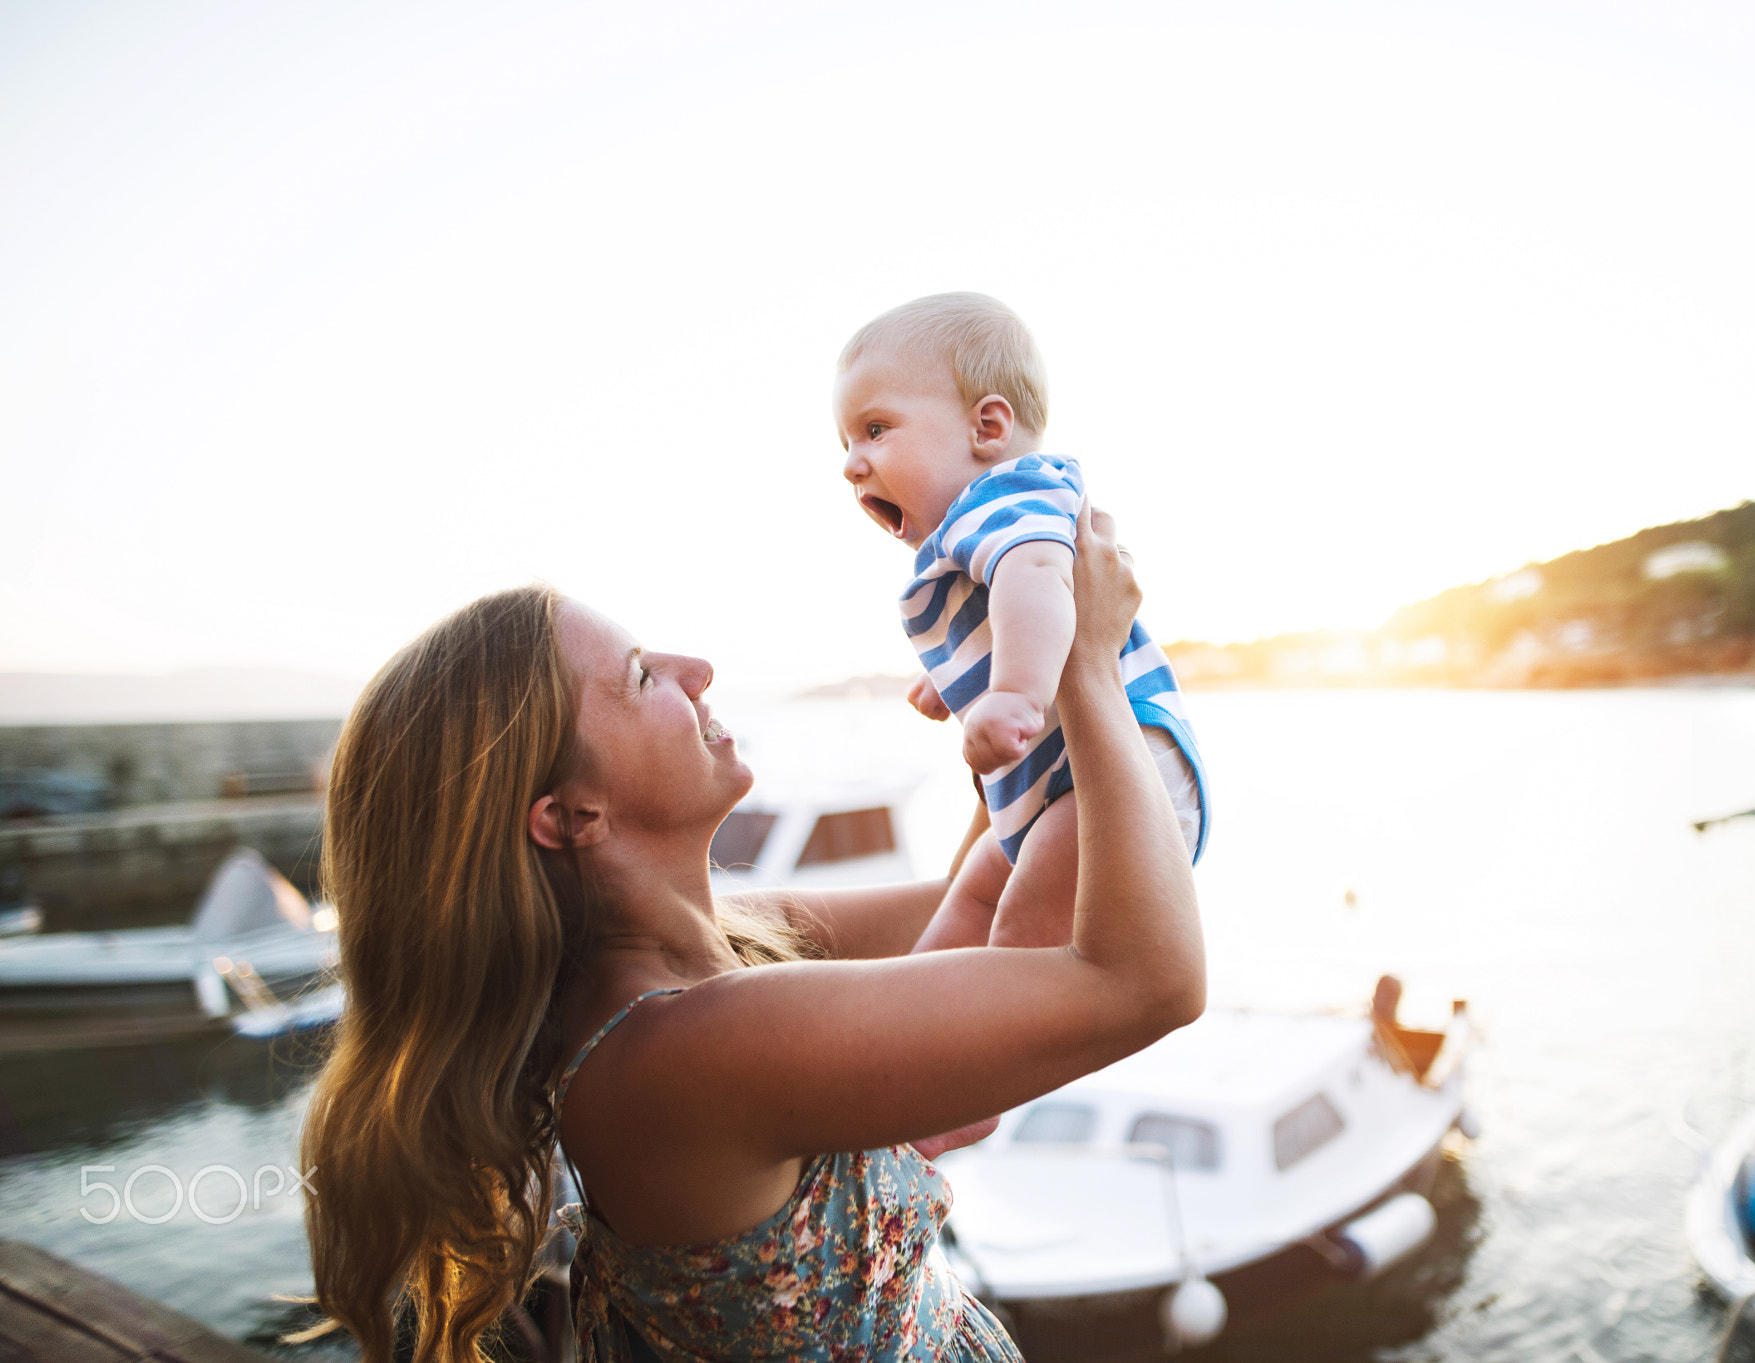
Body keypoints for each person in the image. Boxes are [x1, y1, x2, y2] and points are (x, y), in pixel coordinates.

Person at [296, 505, 1204, 1362]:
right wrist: (1087, 668)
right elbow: (1144, 981)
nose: (697, 669)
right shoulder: (683, 1051)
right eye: (643, 675)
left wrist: (1010, 680)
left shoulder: (722, 952)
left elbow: (982, 893)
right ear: (572, 815)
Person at [835, 292, 1209, 961]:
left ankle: (948, 1024)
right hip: (1062, 781)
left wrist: (1013, 693)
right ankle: (917, 1000)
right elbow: (1003, 610)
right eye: (847, 442)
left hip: (1112, 774)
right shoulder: (982, 524)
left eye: (876, 429)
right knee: (971, 900)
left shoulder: (1006, 496)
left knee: (1014, 944)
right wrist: (949, 675)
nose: (851, 463)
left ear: (987, 427)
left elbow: (1036, 579)